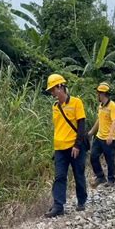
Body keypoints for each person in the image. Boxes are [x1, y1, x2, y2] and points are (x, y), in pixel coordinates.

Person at [44, 74, 88, 218]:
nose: (52, 93)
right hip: (60, 148)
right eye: (50, 90)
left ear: (61, 86)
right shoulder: (55, 107)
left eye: (53, 90)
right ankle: (58, 206)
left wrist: (77, 145)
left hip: (75, 147)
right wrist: (56, 148)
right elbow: (58, 128)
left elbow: (81, 126)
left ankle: (81, 201)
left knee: (78, 174)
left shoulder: (76, 103)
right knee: (59, 177)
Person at [88, 82, 115, 187]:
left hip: (109, 138)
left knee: (109, 159)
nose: (97, 95)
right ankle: (100, 176)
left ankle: (111, 180)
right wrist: (91, 132)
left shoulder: (112, 106)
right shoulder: (100, 106)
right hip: (99, 136)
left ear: (102, 94)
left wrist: (110, 136)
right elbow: (99, 120)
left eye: (98, 93)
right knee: (93, 156)